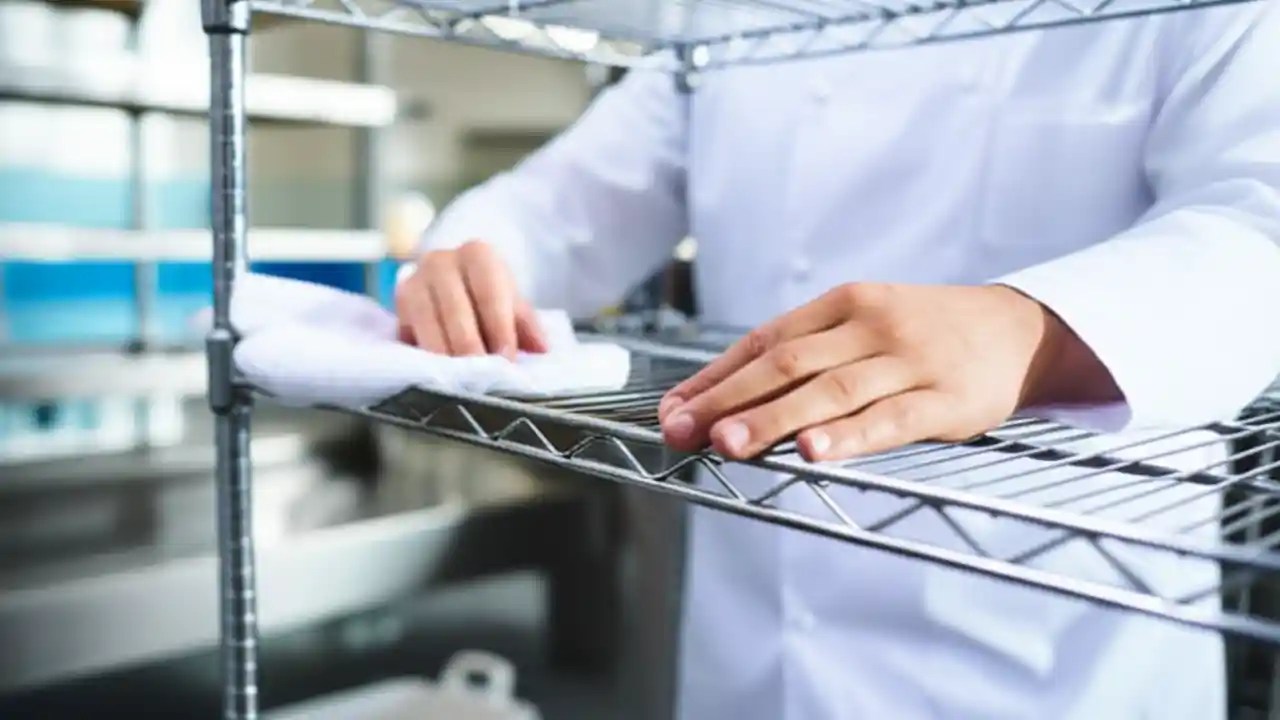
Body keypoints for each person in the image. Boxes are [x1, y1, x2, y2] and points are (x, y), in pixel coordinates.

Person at [395, 2, 1280, 718]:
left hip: (1053, 659)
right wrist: (474, 252)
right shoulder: (724, 20)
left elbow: (1259, 220)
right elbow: (561, 205)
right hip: (750, 657)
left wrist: (1035, 329)